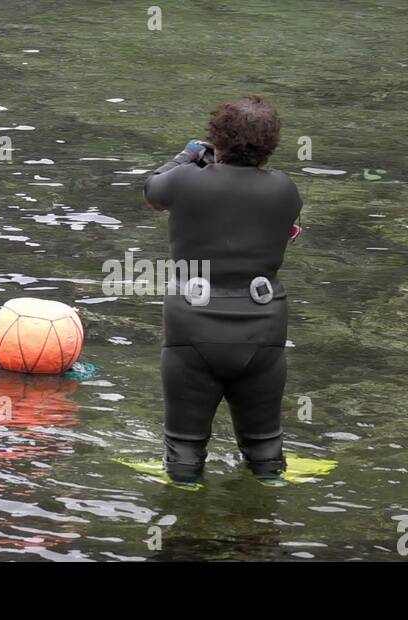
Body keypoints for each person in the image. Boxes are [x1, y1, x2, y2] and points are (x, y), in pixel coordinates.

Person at [143, 95, 303, 484]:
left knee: (184, 449)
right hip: (263, 327)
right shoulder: (285, 189)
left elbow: (152, 191)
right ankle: (265, 513)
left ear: (217, 137)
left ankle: (186, 522)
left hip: (192, 328)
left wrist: (188, 156)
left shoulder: (184, 181)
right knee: (265, 446)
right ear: (271, 144)